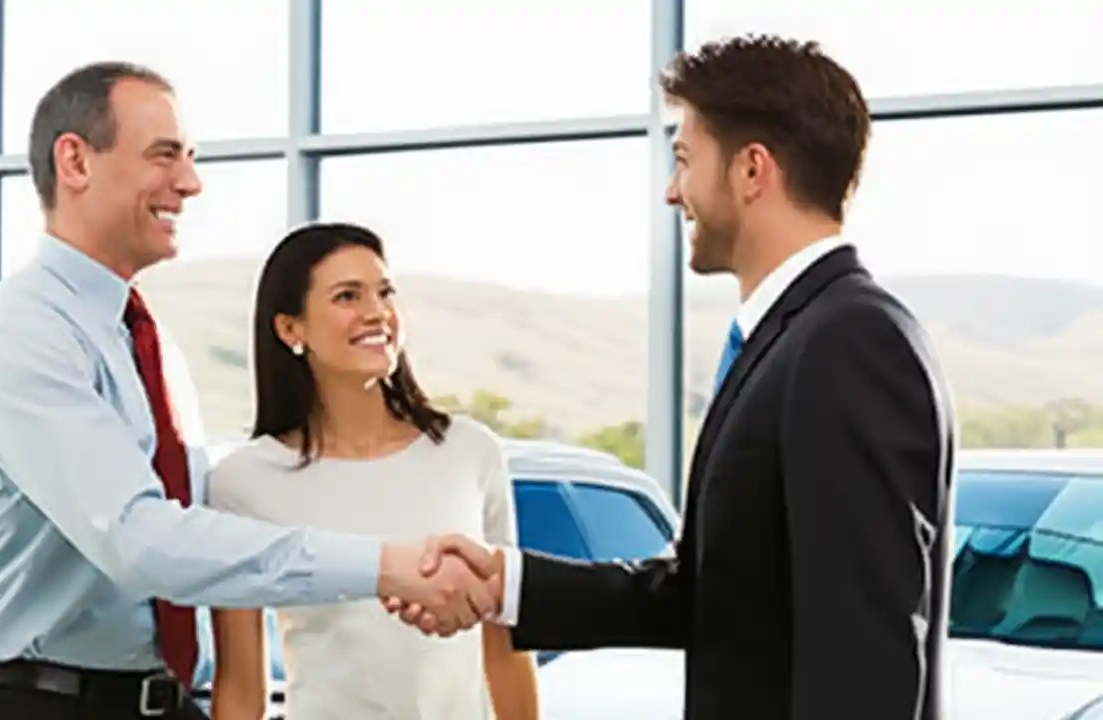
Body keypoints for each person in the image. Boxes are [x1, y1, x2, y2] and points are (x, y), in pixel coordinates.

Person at [394, 35, 957, 719]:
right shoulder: (793, 338)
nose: (672, 191)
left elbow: (866, 657)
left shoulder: (849, 343)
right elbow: (713, 594)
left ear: (753, 171)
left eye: (684, 159)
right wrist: (506, 581)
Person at [0, 61, 498, 720]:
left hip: (153, 702)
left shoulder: (145, 344)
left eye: (190, 159)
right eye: (164, 156)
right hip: (36, 706)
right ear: (75, 161)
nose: (190, 184)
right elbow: (141, 540)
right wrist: (385, 565)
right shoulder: (16, 335)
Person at [205, 222, 539, 720]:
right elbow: (240, 687)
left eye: (384, 292)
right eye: (347, 296)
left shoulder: (470, 452)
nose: (377, 312)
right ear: (290, 329)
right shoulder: (244, 482)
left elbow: (505, 645)